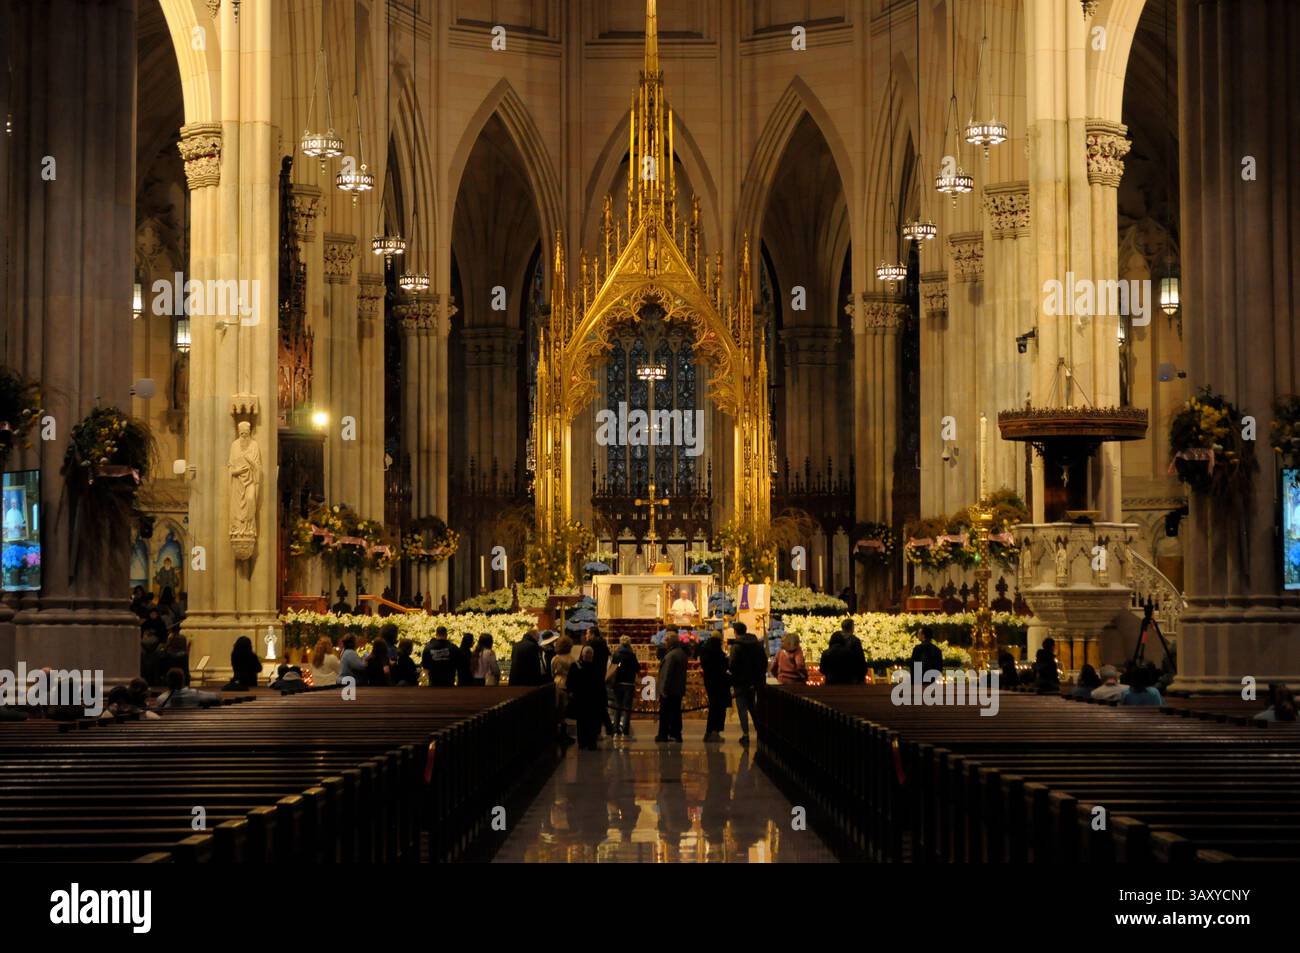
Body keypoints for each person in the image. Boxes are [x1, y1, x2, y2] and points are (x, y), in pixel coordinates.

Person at [728, 622, 766, 743]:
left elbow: (732, 664)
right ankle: (760, 732)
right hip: (754, 680)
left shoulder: (736, 646)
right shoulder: (757, 645)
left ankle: (746, 734)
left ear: (735, 632)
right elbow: (764, 662)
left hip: (740, 681)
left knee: (742, 708)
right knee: (753, 707)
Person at [566, 645, 605, 750]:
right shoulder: (596, 667)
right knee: (586, 721)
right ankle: (586, 742)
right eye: (587, 654)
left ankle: (586, 742)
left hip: (586, 698)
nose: (588, 656)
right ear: (583, 655)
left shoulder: (578, 666)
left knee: (586, 721)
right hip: (586, 698)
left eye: (589, 654)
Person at [655, 631, 687, 743]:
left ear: (671, 641)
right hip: (678, 688)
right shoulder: (680, 653)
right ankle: (675, 733)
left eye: (666, 640)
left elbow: (667, 673)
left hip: (669, 690)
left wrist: (663, 689)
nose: (665, 642)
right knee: (676, 713)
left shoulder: (671, 655)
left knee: (665, 713)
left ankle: (663, 734)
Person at [699, 633, 730, 742]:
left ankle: (709, 732)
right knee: (719, 708)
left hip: (709, 681)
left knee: (713, 707)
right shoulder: (718, 652)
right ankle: (715, 732)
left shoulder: (705, 650)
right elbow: (724, 665)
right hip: (719, 683)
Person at [585, 628, 613, 735]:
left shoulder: (591, 646)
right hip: (601, 677)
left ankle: (597, 730)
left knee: (595, 707)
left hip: (592, 679)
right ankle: (608, 727)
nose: (586, 635)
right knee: (600, 705)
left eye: (587, 633)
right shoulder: (603, 645)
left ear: (592, 634)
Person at [610, 635, 640, 737]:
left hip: (618, 683)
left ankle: (615, 729)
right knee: (627, 708)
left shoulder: (616, 654)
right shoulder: (632, 655)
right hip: (629, 683)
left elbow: (612, 668)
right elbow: (637, 668)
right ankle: (625, 730)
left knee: (617, 707)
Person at [839, 618, 868, 684]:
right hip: (852, 676)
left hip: (838, 676)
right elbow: (860, 659)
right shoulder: (855, 640)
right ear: (852, 628)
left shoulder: (836, 638)